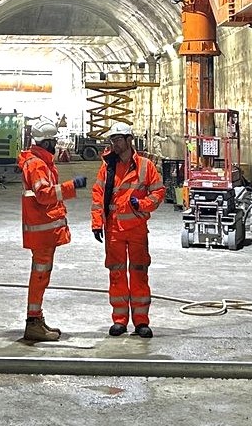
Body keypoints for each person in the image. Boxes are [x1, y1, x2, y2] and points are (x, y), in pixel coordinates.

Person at [90, 121, 167, 337]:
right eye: (112, 140)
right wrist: (97, 222)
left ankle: (141, 322)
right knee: (116, 274)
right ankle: (119, 320)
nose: (114, 144)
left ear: (128, 140)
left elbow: (159, 191)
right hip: (114, 228)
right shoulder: (108, 167)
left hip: (136, 229)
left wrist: (142, 205)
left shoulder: (145, 166)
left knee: (139, 273)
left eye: (118, 139)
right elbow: (97, 195)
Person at [19, 121, 88, 341]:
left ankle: (36, 318)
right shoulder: (38, 165)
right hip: (42, 229)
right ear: (46, 142)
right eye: (54, 142)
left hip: (43, 228)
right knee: (39, 276)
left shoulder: (41, 162)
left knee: (41, 275)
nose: (56, 146)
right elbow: (44, 195)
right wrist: (72, 186)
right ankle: (33, 323)